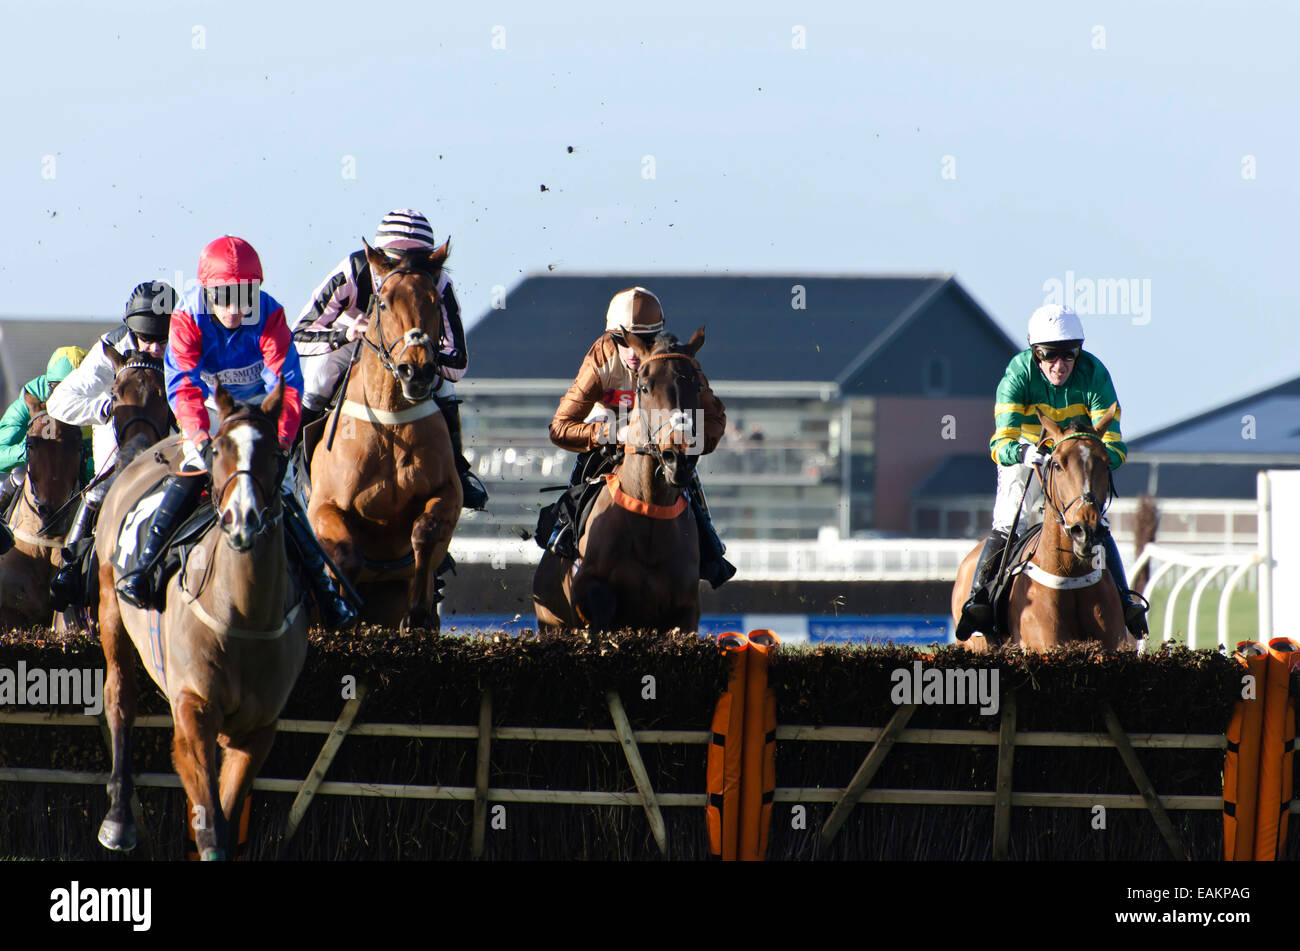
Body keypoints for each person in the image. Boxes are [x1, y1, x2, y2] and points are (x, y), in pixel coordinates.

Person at [114, 236, 357, 630]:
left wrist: (281, 442)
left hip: (260, 409)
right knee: (194, 467)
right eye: (225, 297)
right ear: (208, 293)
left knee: (289, 490)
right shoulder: (187, 317)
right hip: (210, 408)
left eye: (245, 296)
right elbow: (182, 387)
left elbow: (288, 384)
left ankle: (328, 599)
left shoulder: (270, 313)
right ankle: (143, 568)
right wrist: (202, 440)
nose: (235, 309)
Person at [955, 304, 1148, 641]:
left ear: (1079, 352)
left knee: (1095, 523)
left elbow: (1116, 448)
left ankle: (1124, 599)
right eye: (1049, 355)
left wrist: (1087, 452)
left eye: (1069, 354)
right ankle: (980, 601)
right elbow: (1000, 444)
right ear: (1035, 353)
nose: (1060, 365)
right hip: (1027, 456)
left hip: (1074, 459)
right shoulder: (1017, 375)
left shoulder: (1095, 373)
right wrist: (1028, 452)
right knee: (1006, 525)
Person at [291, 208, 487, 509]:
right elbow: (301, 332)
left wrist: (427, 359)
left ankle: (458, 472)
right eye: (393, 263)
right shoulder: (353, 269)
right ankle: (291, 467)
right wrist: (345, 334)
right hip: (352, 338)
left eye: (419, 265)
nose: (406, 274)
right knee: (318, 382)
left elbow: (458, 361)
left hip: (411, 346)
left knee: (446, 388)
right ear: (379, 259)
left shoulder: (440, 282)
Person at [542, 286, 736, 588]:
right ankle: (564, 532)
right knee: (587, 463)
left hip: (659, 438)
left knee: (687, 473)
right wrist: (613, 433)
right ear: (612, 337)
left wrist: (692, 443)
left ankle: (709, 543)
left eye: (643, 342)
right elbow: (560, 427)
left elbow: (714, 419)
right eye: (623, 341)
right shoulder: (600, 359)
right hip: (609, 430)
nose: (632, 352)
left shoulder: (677, 362)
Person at [45, 281, 177, 608]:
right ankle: (70, 569)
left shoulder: (187, 342)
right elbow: (59, 401)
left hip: (173, 446)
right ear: (132, 330)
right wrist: (105, 407)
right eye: (148, 339)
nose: (156, 349)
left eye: (163, 339)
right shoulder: (110, 347)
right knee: (98, 494)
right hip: (122, 453)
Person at [0, 347, 91, 554]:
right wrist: (34, 451)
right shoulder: (30, 396)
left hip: (78, 471)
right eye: (59, 389)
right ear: (49, 385)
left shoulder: (97, 399)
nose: (65, 398)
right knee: (19, 474)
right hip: (30, 471)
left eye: (75, 390)